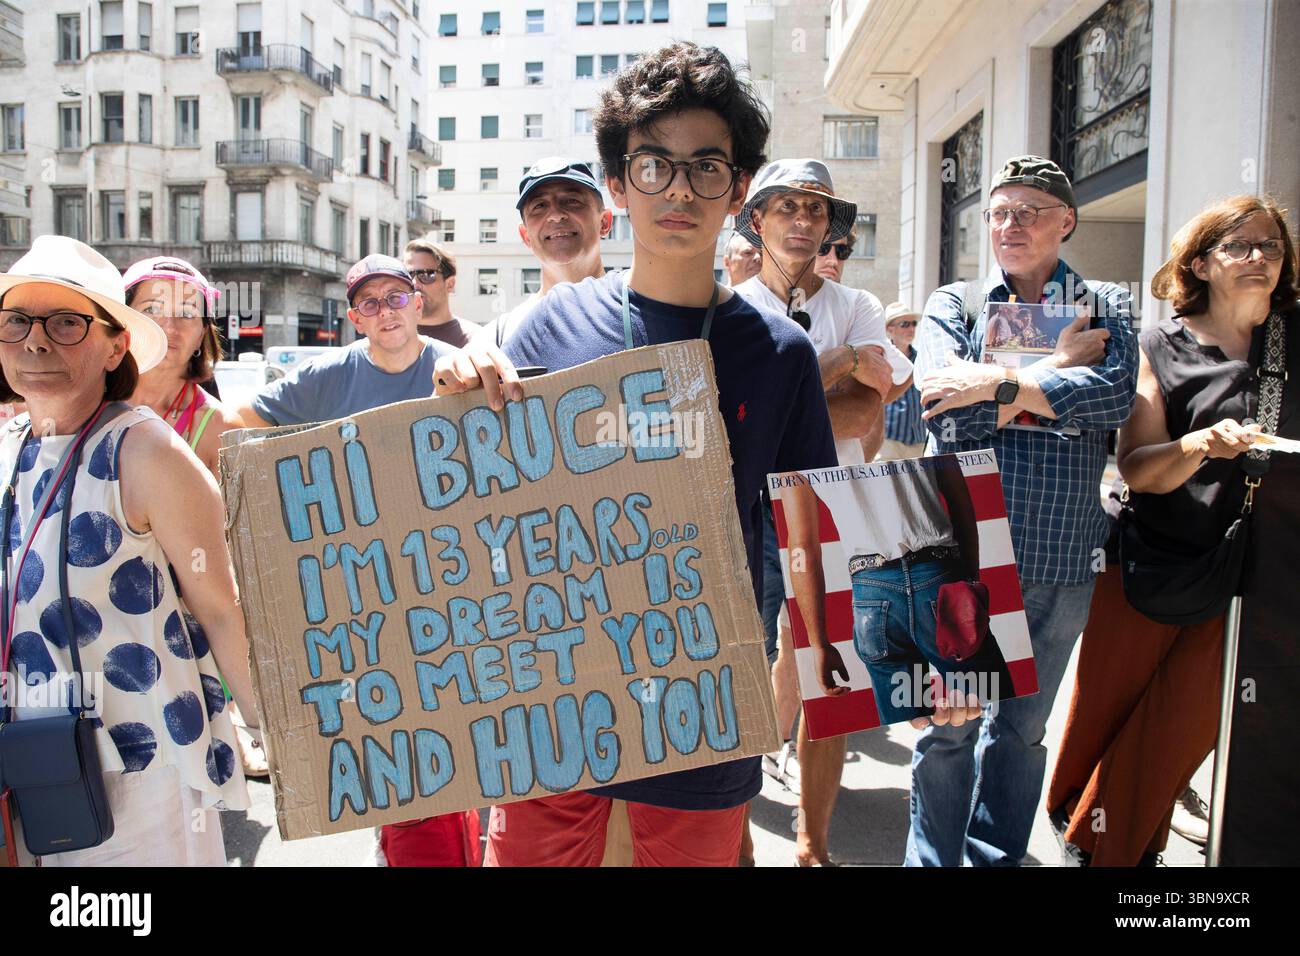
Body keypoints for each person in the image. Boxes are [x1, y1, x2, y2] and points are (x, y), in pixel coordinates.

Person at [434, 41, 838, 867]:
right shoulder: (545, 329)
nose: (680, 189)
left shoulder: (780, 353)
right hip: (550, 714)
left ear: (740, 190)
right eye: (654, 165)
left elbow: (814, 544)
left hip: (701, 711)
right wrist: (456, 386)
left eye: (706, 167)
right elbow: (466, 513)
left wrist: (922, 664)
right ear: (618, 185)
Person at [1047, 195, 1300, 866]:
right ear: (1199, 262)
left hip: (1262, 578)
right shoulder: (1159, 344)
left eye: (1271, 247)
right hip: (1156, 563)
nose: (1259, 259)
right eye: (1239, 246)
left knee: (1179, 730)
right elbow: (1136, 468)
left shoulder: (1292, 339)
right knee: (1101, 719)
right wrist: (1199, 447)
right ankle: (1097, 831)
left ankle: (1100, 848)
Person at [910, 155, 1137, 867]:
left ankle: (994, 858)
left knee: (1021, 731)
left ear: (1065, 221)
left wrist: (991, 387)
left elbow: (1113, 402)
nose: (1012, 225)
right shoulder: (957, 305)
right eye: (1000, 212)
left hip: (1064, 558)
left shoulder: (1106, 306)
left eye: (1030, 211)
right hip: (966, 554)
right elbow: (944, 414)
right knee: (947, 727)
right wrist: (1048, 374)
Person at [0, 235, 257, 865]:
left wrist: (284, 737)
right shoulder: (11, 448)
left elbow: (222, 609)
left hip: (142, 771)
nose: (36, 340)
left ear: (116, 343)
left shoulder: (146, 451)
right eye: (16, 320)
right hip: (29, 758)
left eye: (66, 322)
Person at [233, 254, 480, 867]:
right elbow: (239, 426)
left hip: (452, 575)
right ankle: (400, 840)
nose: (386, 311)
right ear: (354, 318)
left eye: (396, 297)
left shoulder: (455, 366)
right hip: (364, 586)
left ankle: (457, 835)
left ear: (419, 302)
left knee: (461, 718)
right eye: (369, 303)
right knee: (389, 724)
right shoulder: (325, 377)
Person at [733, 158, 912, 866]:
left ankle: (813, 845)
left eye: (816, 210)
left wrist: (800, 376)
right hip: (750, 506)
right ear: (759, 219)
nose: (805, 222)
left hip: (840, 503)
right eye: (788, 208)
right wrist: (832, 368)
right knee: (742, 680)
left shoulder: (859, 305)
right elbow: (736, 416)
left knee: (833, 683)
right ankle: (737, 841)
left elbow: (877, 398)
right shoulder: (729, 305)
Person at [122, 255, 267, 779]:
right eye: (153, 307)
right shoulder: (86, 404)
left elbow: (225, 555)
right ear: (126, 321)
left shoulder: (217, 423)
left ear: (205, 329)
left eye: (188, 310)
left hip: (182, 626)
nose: (171, 323)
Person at [472, 158, 611, 349]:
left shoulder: (639, 310)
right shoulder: (500, 337)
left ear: (605, 222)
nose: (555, 215)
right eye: (539, 206)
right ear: (525, 235)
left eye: (572, 201)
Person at [403, 238, 476, 347]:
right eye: (408, 275)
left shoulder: (475, 341)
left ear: (450, 284)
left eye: (426, 275)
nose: (414, 283)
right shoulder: (390, 338)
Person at [879, 302, 927, 461]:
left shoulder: (922, 358)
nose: (911, 329)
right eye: (905, 324)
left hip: (918, 440)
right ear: (890, 330)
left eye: (913, 323)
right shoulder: (881, 359)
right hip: (889, 440)